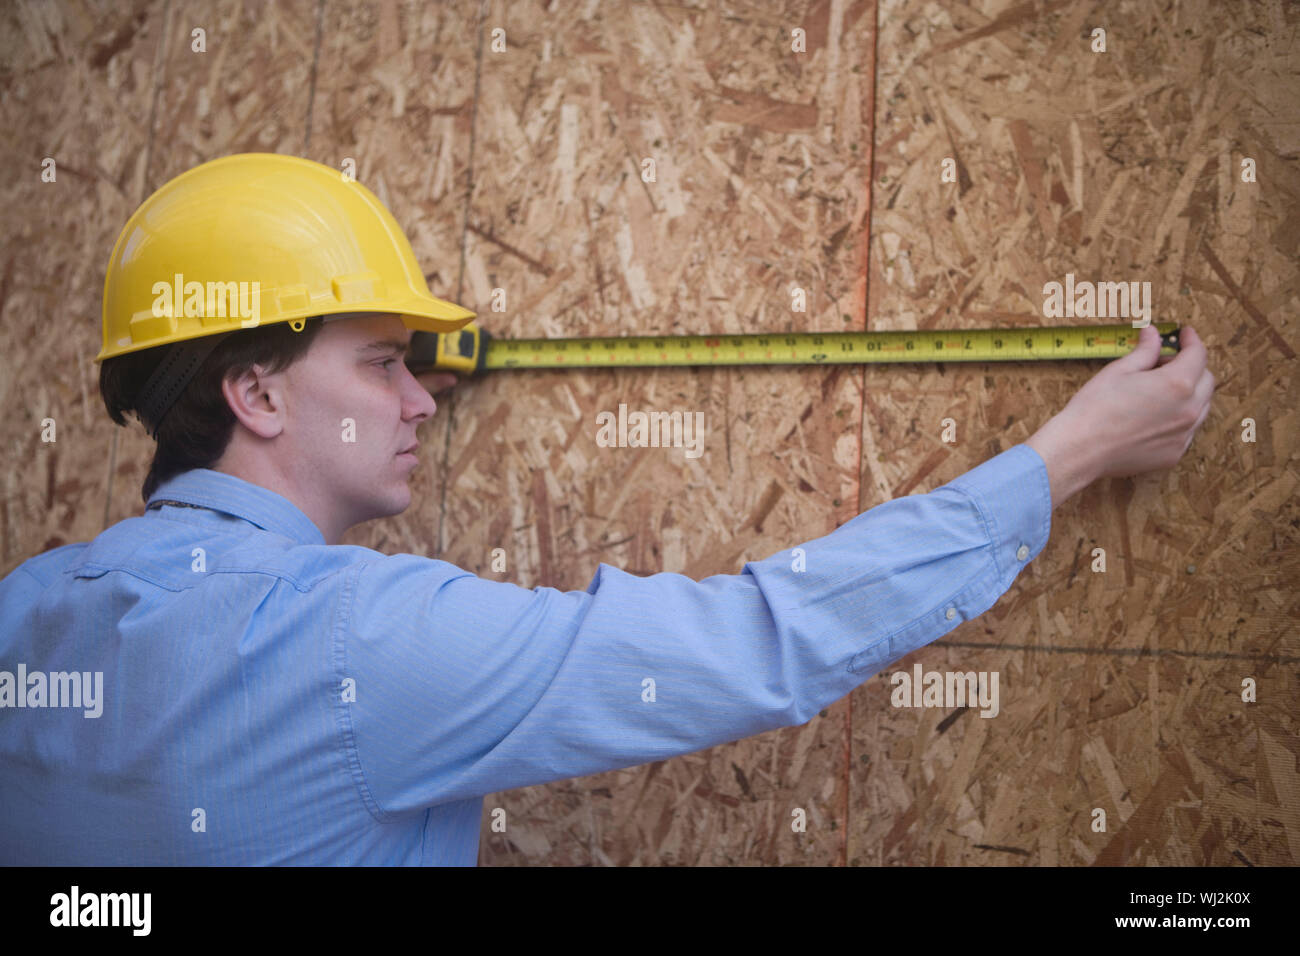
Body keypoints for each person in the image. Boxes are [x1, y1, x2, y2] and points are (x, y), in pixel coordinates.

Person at [0, 154, 1215, 865]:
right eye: (382, 363)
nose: (420, 399)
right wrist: (1069, 453)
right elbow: (755, 638)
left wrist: (380, 378)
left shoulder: (29, 610)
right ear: (255, 390)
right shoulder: (357, 640)